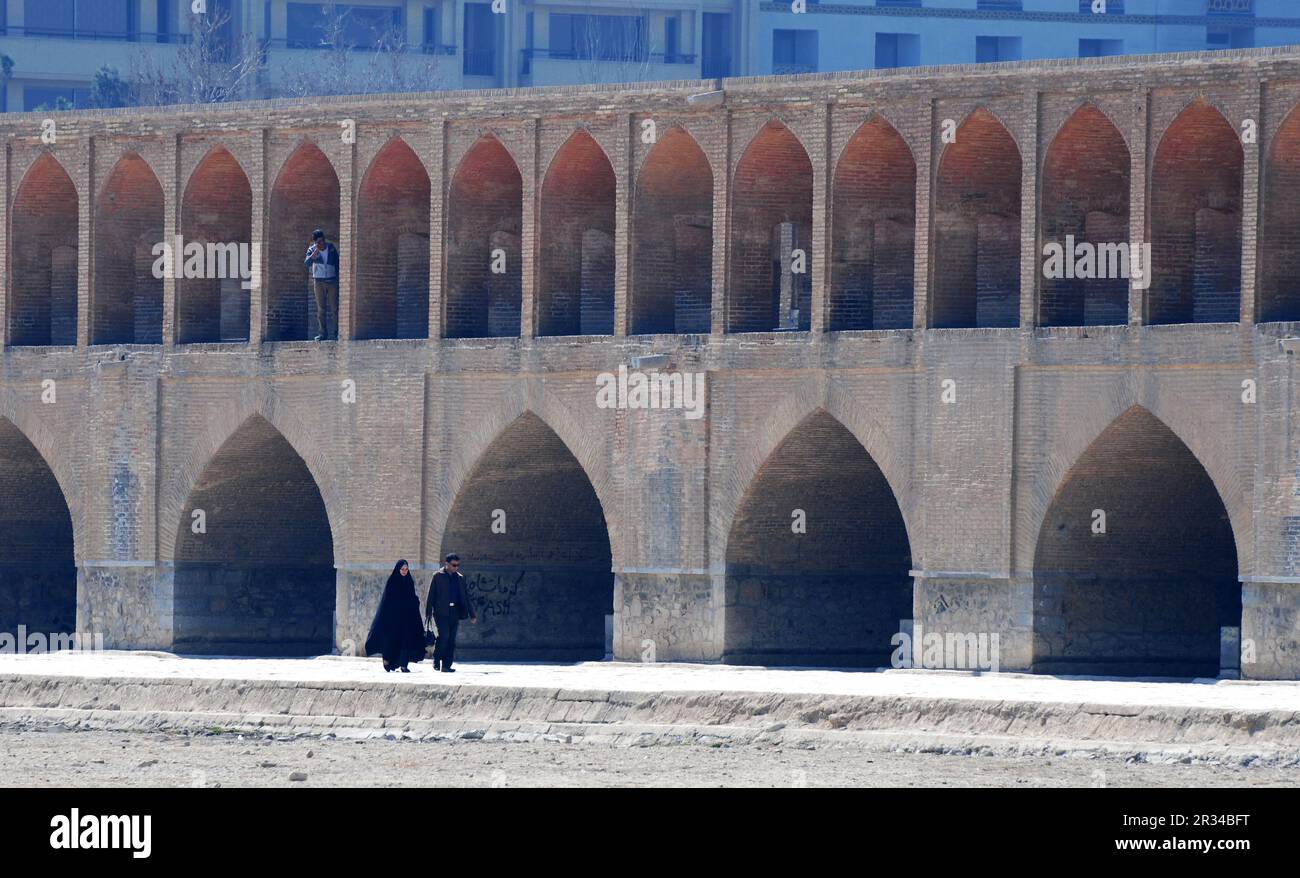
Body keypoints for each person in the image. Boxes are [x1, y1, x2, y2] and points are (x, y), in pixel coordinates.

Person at [364, 559, 425, 672]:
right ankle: (387, 661)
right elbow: (387, 601)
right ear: (398, 569)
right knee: (392, 640)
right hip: (393, 618)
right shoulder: (392, 581)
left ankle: (404, 665)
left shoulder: (409, 581)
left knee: (406, 640)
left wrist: (414, 602)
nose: (404, 571)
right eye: (402, 569)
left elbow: (411, 597)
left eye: (406, 569)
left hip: (407, 618)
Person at [425, 554, 477, 673]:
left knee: (451, 639)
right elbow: (431, 595)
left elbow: (466, 597)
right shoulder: (437, 576)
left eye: (458, 565)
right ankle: (437, 658)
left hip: (455, 612)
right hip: (440, 612)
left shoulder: (459, 578)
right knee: (444, 636)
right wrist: (428, 611)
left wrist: (472, 614)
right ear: (446, 563)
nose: (456, 568)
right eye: (454, 565)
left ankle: (446, 665)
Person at [303, 228, 339, 341]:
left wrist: (338, 279)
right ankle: (323, 333)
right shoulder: (312, 250)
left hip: (331, 281)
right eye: (318, 241)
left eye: (322, 240)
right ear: (315, 242)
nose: (321, 243)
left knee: (334, 308)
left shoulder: (331, 248)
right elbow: (307, 263)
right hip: (318, 281)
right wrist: (314, 253)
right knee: (321, 309)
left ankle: (337, 332)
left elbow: (338, 263)